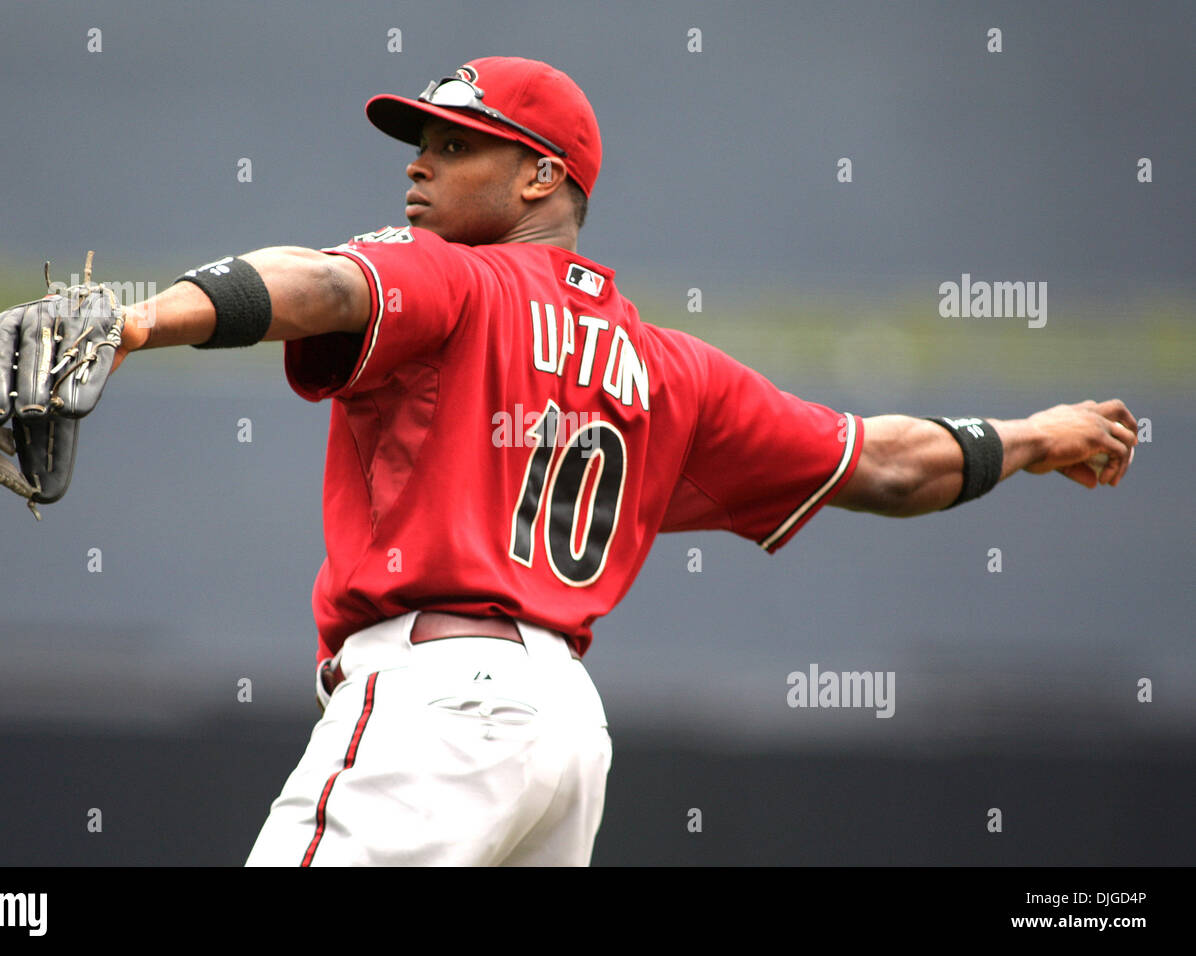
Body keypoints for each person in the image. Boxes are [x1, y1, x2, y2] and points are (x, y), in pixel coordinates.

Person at [99, 56, 1137, 866]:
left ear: (541, 172)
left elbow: (318, 285)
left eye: (455, 144)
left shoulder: (456, 282)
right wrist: (1039, 437)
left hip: (435, 700)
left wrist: (139, 320)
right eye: (419, 142)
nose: (418, 163)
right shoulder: (670, 367)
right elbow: (889, 465)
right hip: (567, 739)